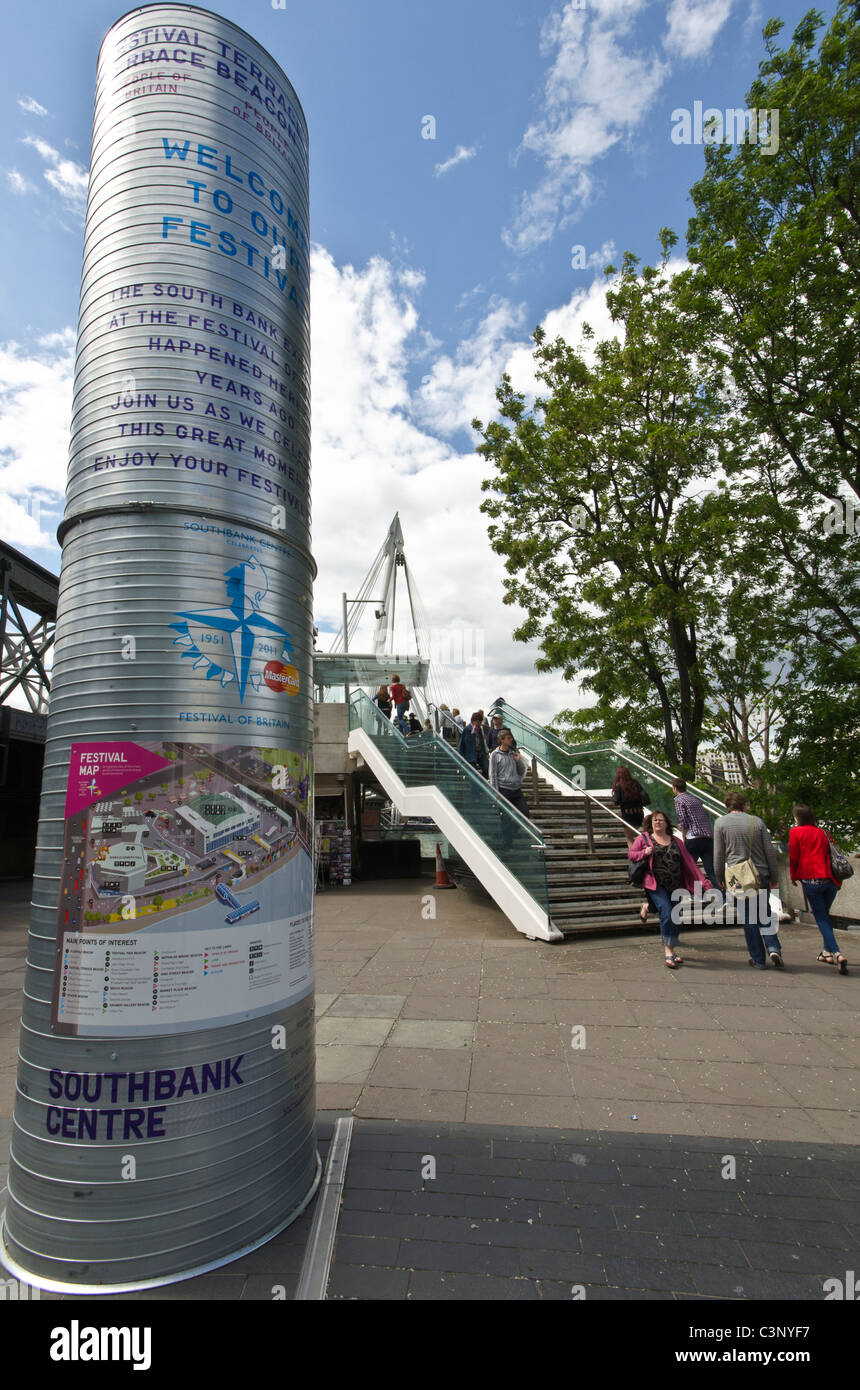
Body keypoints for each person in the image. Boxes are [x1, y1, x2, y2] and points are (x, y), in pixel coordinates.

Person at [628, 811, 712, 968]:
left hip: (675, 884)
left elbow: (690, 864)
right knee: (666, 912)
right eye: (655, 820)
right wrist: (643, 853)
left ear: (667, 823)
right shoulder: (644, 839)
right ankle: (668, 950)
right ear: (651, 823)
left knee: (674, 915)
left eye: (661, 820)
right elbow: (631, 854)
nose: (658, 822)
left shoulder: (676, 841)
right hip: (654, 883)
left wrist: (704, 883)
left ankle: (648, 908)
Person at [713, 790, 784, 970]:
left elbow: (719, 854)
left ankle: (758, 959)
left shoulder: (720, 823)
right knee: (765, 913)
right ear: (744, 805)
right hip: (761, 874)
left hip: (738, 878)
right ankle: (774, 947)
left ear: (727, 806)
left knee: (748, 918)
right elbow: (770, 851)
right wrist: (774, 876)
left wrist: (719, 876)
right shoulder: (756, 821)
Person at [789, 804, 848, 974]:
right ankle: (826, 952)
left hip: (811, 880)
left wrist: (793, 876)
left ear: (798, 818)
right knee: (824, 917)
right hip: (830, 879)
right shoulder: (823, 832)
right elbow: (834, 853)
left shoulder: (796, 832)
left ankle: (837, 952)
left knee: (821, 919)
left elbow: (794, 857)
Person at [489, 730, 530, 848]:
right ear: (502, 740)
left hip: (516, 789)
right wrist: (496, 792)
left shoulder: (513, 753)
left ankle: (509, 834)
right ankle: (507, 844)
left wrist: (519, 762)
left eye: (510, 738)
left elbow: (522, 771)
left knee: (525, 814)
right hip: (504, 790)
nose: (510, 740)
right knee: (505, 818)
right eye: (508, 738)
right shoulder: (495, 755)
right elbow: (493, 775)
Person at [672, 777, 716, 883]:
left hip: (693, 838)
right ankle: (721, 893)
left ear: (675, 788)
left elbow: (684, 820)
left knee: (691, 869)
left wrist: (683, 836)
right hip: (707, 836)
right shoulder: (695, 799)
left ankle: (698, 893)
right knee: (710, 869)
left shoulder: (679, 800)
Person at [612, 766, 650, 843]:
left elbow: (616, 801)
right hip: (639, 813)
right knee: (635, 837)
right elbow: (646, 797)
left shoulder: (619, 785)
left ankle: (634, 854)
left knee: (629, 839)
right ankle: (639, 851)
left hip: (627, 814)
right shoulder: (635, 783)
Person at [458, 712, 489, 777]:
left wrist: (485, 754)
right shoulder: (467, 729)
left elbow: (482, 742)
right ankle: (475, 785)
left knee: (487, 768)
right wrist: (461, 757)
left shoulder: (480, 729)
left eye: (480, 722)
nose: (479, 724)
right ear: (472, 721)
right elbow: (461, 744)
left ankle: (485, 783)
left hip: (480, 754)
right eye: (477, 722)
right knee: (473, 773)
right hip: (471, 755)